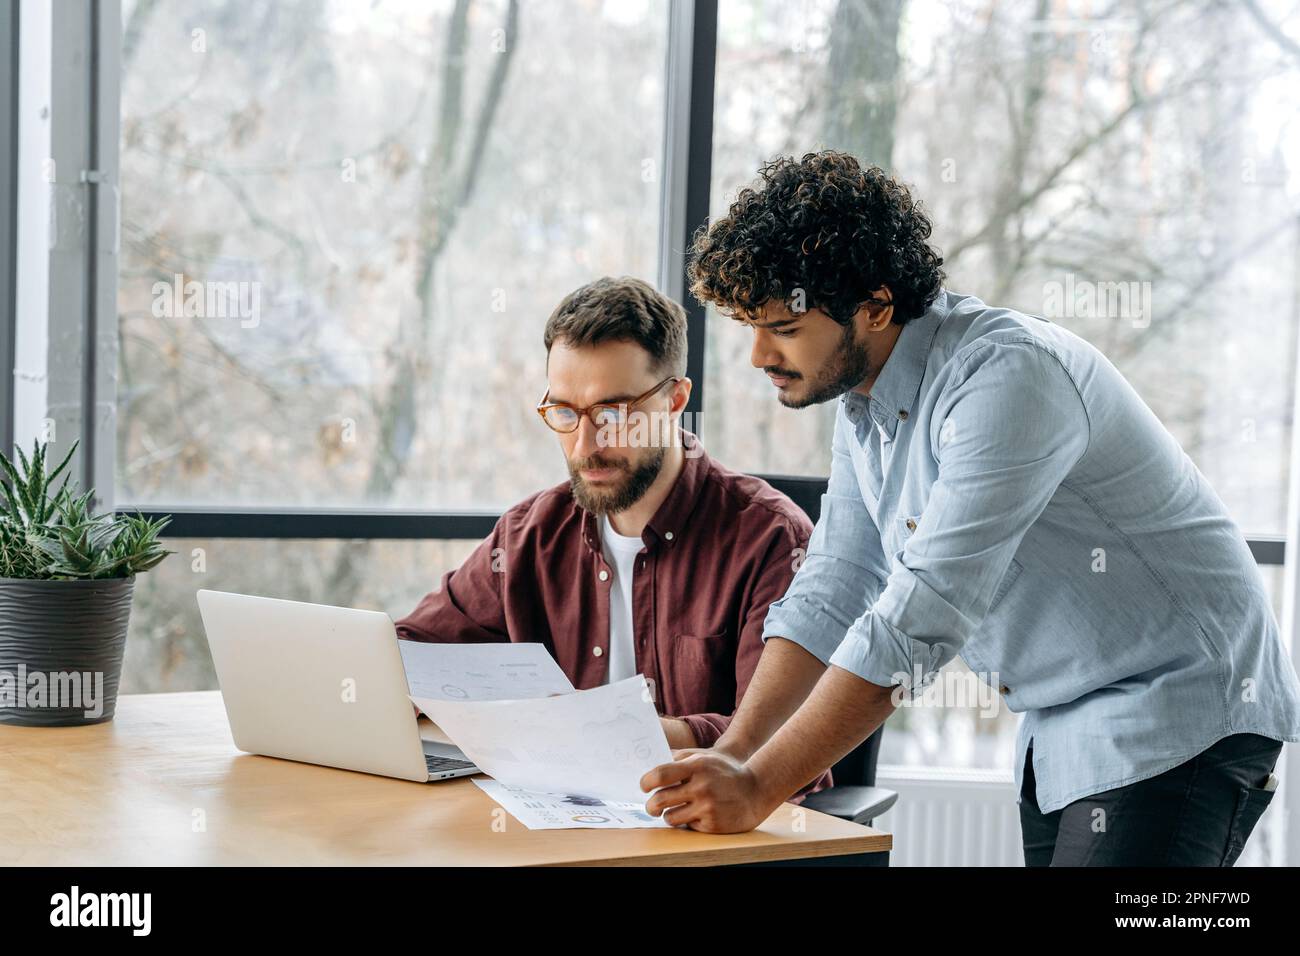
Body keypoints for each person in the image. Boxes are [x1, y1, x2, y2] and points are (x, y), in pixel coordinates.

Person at [640, 151, 1300, 865]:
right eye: (751, 327)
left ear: (877, 305)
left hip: (1179, 706)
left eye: (785, 329)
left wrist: (761, 784)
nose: (758, 355)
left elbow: (921, 616)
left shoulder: (1008, 377)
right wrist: (735, 751)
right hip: (1062, 722)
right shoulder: (865, 405)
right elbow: (833, 590)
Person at [396, 275, 829, 802]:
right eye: (563, 412)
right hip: (554, 831)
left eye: (613, 413)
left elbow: (786, 749)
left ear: (675, 400)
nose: (586, 445)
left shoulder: (773, 540)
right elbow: (409, 650)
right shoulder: (528, 535)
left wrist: (615, 728)